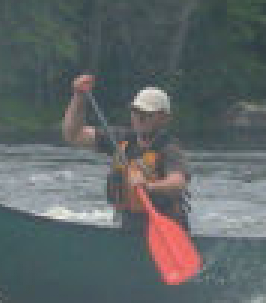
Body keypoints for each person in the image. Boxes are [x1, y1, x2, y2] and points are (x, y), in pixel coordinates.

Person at [61, 74, 192, 232]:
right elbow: (74, 135)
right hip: (129, 226)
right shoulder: (121, 140)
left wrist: (148, 186)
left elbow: (178, 182)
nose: (139, 117)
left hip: (166, 229)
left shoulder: (170, 148)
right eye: (136, 111)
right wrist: (79, 97)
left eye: (147, 114)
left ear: (164, 118)